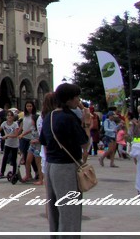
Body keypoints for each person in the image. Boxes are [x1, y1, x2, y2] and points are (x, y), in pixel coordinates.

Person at [39, 83, 89, 234]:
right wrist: (87, 123)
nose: (78, 100)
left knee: (54, 210)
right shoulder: (69, 118)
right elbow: (85, 144)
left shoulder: (49, 116)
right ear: (69, 99)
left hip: (51, 165)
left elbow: (44, 142)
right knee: (70, 212)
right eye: (76, 97)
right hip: (66, 167)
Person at [0, 111, 21, 180]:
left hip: (14, 144)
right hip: (7, 144)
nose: (9, 117)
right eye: (8, 115)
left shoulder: (15, 124)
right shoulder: (4, 123)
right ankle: (2, 172)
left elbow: (16, 134)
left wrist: (7, 135)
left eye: (11, 116)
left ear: (13, 117)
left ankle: (14, 172)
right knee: (5, 158)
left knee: (13, 159)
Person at [19, 101, 39, 182]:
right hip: (24, 138)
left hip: (32, 139)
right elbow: (22, 126)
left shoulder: (35, 116)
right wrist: (19, 133)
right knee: (25, 157)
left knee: (32, 158)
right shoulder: (25, 116)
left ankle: (37, 172)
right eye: (27, 106)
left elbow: (33, 128)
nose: (29, 108)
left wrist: (23, 134)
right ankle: (28, 174)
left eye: (30, 106)